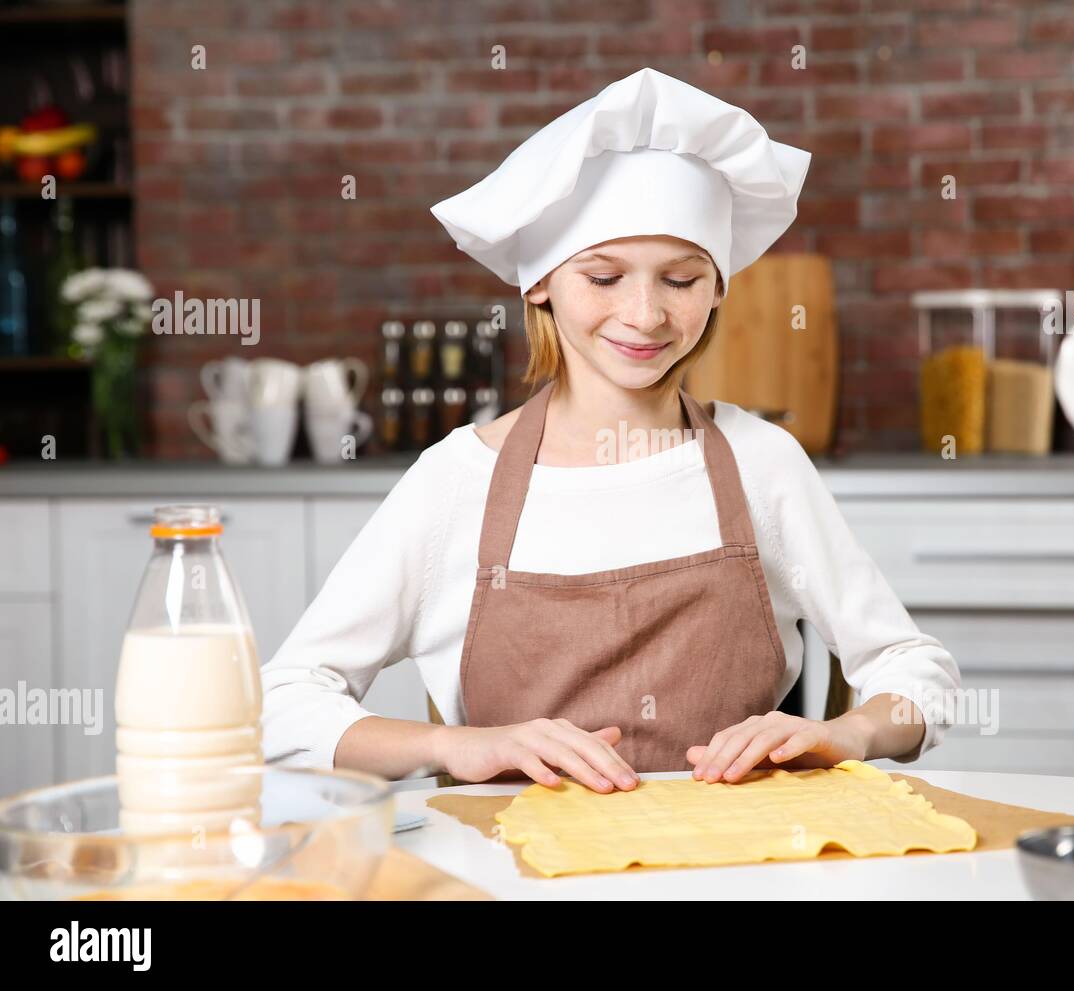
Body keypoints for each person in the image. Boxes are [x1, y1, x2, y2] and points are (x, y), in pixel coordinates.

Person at [261, 66, 959, 792]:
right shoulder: (455, 482)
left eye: (681, 279)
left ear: (719, 284)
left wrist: (845, 732)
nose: (646, 314)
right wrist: (453, 745)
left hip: (741, 868)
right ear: (539, 282)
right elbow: (282, 704)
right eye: (604, 277)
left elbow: (919, 672)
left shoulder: (763, 463)